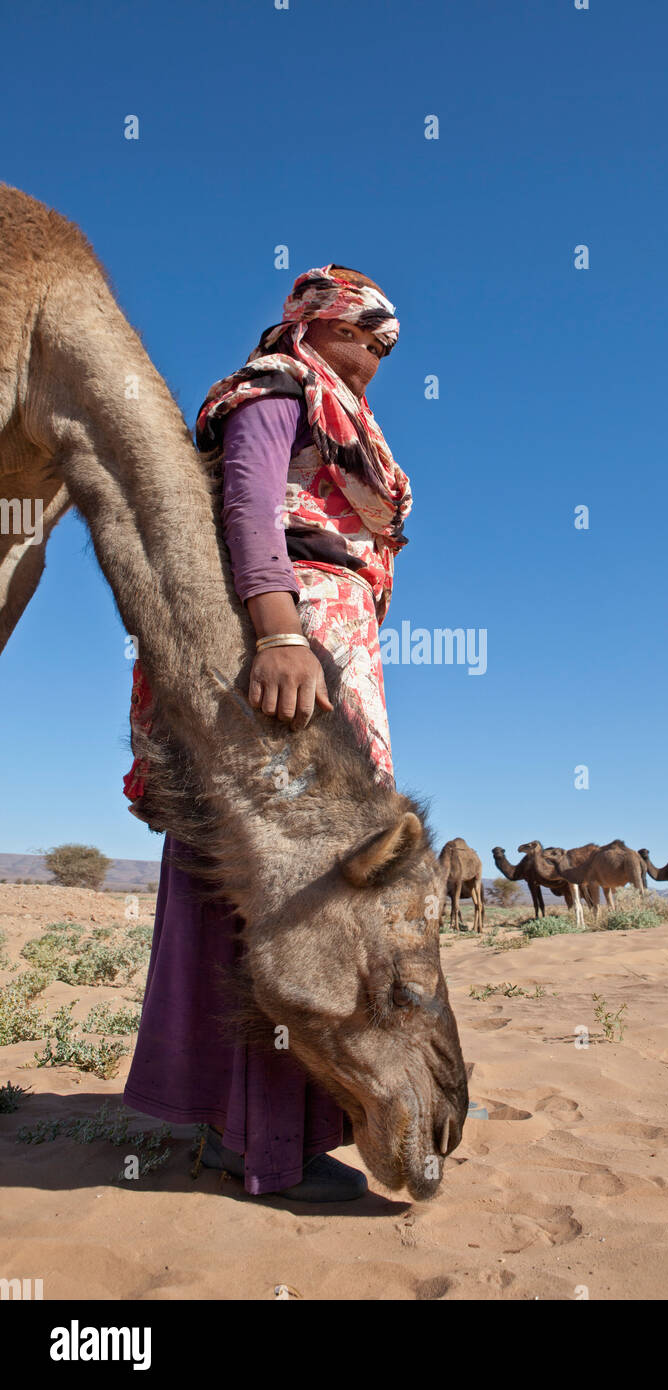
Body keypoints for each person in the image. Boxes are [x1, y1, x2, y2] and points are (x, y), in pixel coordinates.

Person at [121, 264, 412, 1201]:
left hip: (328, 643)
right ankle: (260, 1143)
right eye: (358, 334)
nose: (371, 355)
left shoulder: (341, 413)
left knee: (323, 871)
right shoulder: (273, 390)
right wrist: (281, 634)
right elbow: (250, 510)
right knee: (277, 870)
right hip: (285, 649)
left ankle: (297, 1126)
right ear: (307, 325)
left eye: (384, 345)